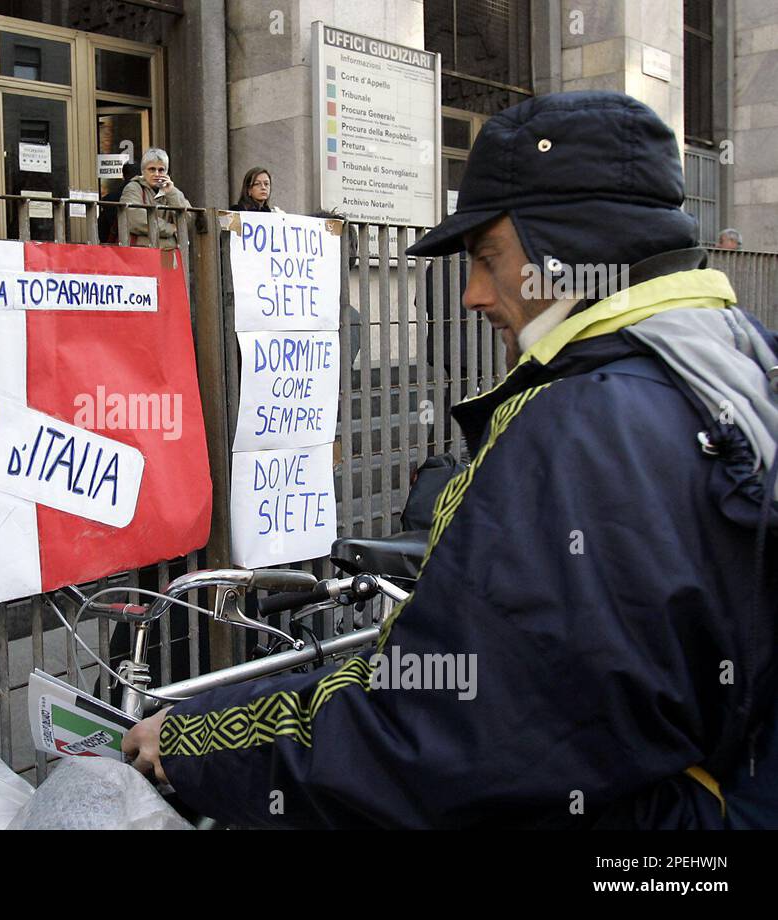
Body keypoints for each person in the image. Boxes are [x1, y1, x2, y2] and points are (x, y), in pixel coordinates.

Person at [125, 91, 778, 829]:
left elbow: (435, 734)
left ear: (570, 247)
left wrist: (194, 742)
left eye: (487, 257)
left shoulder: (580, 428)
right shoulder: (728, 360)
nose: (469, 293)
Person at [118, 148, 192, 250]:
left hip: (169, 253)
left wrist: (171, 193)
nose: (157, 174)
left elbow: (188, 219)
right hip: (142, 252)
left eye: (161, 170)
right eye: (152, 169)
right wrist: (170, 228)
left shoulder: (170, 191)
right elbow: (136, 219)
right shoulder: (133, 188)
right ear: (143, 171)